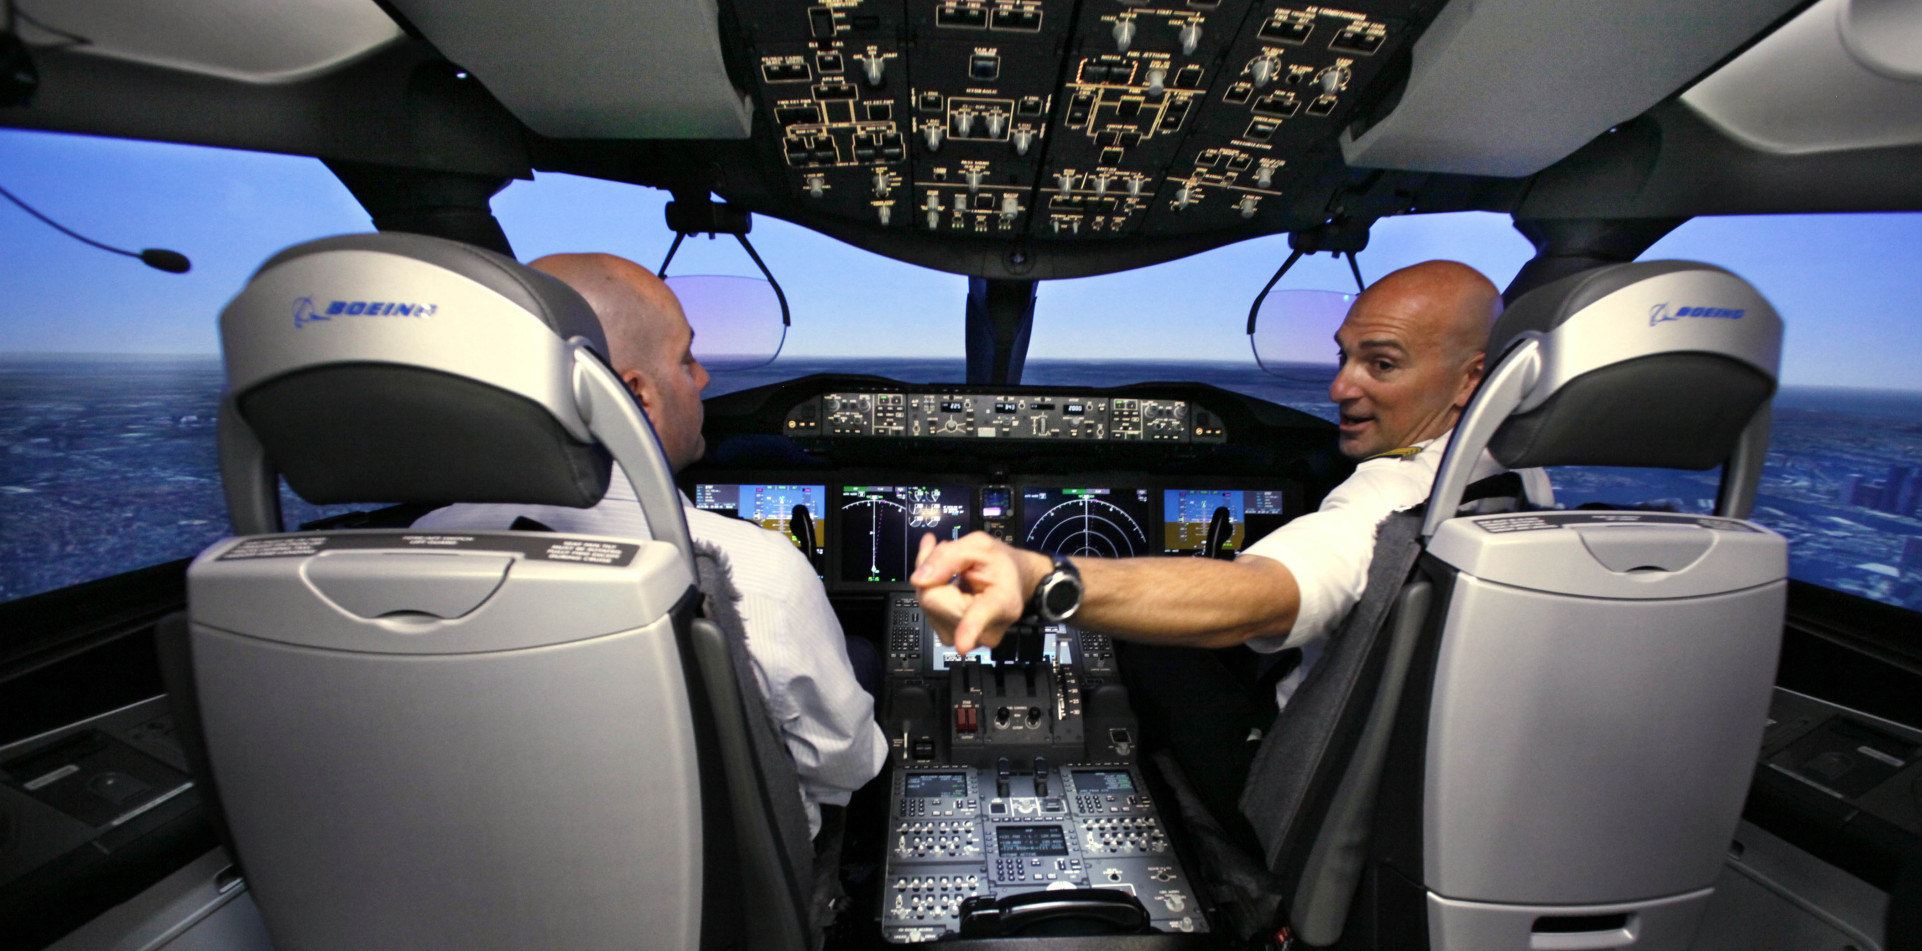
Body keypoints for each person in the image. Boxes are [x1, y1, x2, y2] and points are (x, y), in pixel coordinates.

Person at [909, 261, 1514, 822]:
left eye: (1382, 364)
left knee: (1142, 644)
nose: (1339, 389)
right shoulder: (1514, 474)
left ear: (1472, 378)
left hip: (1289, 777)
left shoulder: (1389, 500)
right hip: (1401, 785)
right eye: (1344, 358)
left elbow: (1263, 591)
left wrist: (1044, 578)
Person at [414, 253, 886, 839]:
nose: (705, 379)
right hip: (728, 913)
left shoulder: (421, 543)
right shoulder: (756, 572)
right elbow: (848, 764)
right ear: (635, 395)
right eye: (686, 357)